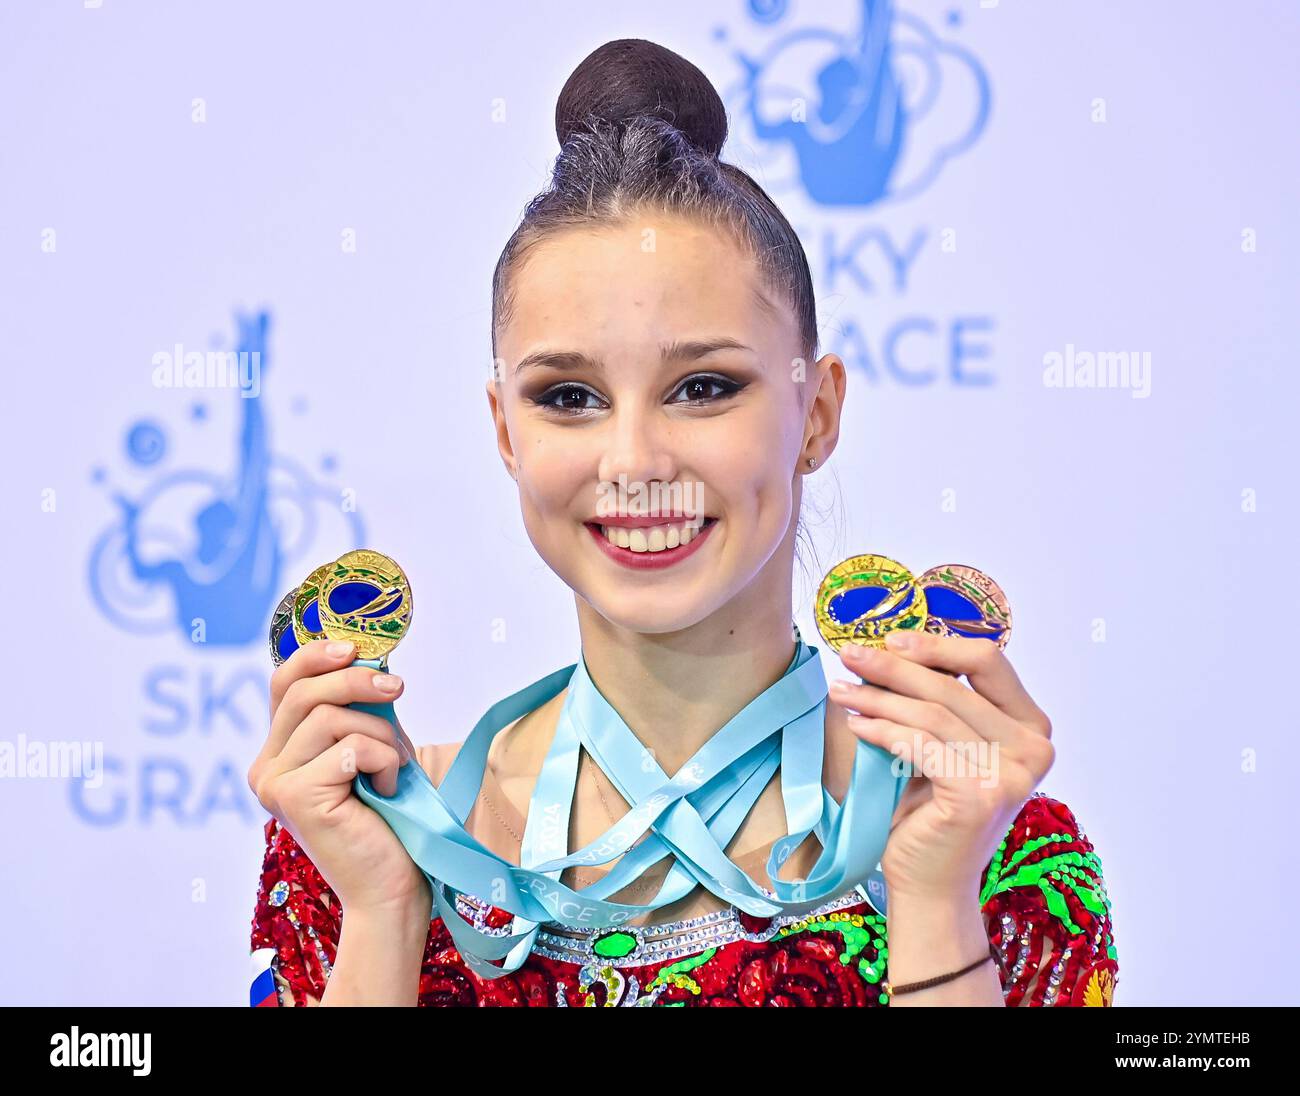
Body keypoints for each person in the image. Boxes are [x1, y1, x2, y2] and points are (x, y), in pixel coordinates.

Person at [247, 38, 1117, 1008]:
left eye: (702, 387)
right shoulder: (368, 834)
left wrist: (934, 898)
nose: (634, 462)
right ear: (503, 430)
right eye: (568, 396)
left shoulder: (994, 849)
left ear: (817, 412)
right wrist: (381, 914)